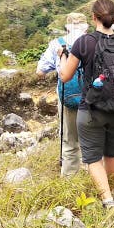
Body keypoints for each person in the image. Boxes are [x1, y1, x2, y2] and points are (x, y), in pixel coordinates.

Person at [58, 0, 114, 209]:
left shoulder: (84, 42)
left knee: (93, 158)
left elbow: (65, 76)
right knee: (112, 154)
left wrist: (62, 58)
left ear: (94, 18)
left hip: (92, 109)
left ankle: (108, 200)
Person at [36, 12, 89, 177]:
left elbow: (40, 71)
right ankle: (95, 176)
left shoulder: (57, 44)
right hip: (92, 97)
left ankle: (69, 179)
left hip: (68, 97)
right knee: (93, 139)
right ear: (86, 28)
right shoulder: (94, 42)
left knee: (69, 140)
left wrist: (59, 63)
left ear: (67, 28)